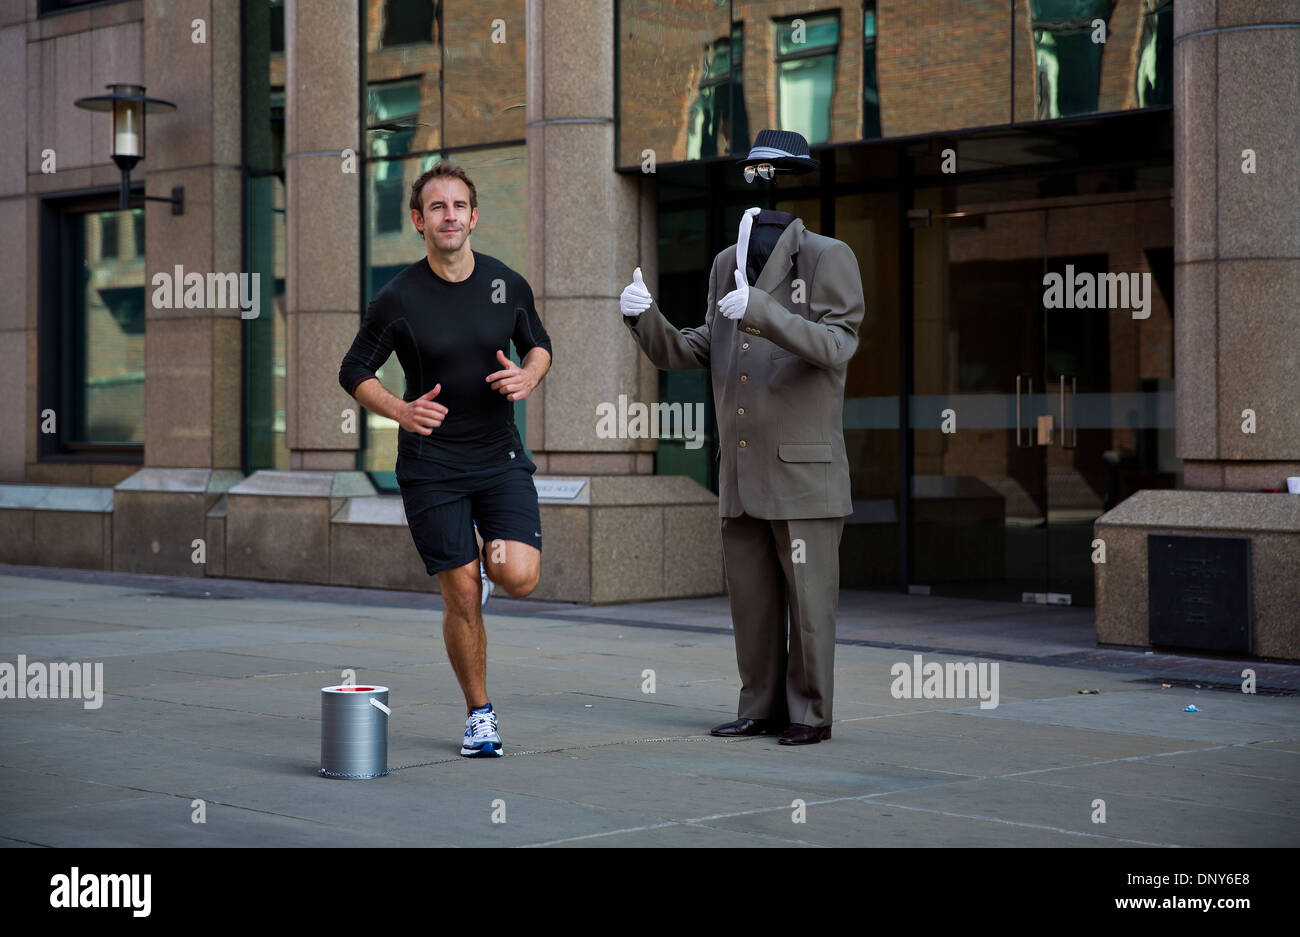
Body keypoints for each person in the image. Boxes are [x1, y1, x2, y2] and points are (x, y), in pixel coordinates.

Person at [619, 130, 864, 745]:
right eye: (752, 172)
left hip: (805, 472)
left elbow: (836, 346)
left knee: (809, 609)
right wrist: (642, 318)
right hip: (741, 470)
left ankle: (811, 713)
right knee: (752, 606)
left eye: (767, 171)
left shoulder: (829, 256)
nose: (758, 182)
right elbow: (702, 347)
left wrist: (761, 309)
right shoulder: (726, 262)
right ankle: (759, 707)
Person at [339, 161, 551, 757]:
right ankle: (479, 715)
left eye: (459, 206)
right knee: (460, 595)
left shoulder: (506, 285)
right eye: (437, 207)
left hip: (497, 455)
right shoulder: (397, 297)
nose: (449, 215)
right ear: (418, 220)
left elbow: (540, 346)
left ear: (474, 216)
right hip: (431, 465)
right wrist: (400, 411)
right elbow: (353, 370)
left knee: (518, 577)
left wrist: (528, 377)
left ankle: (486, 553)